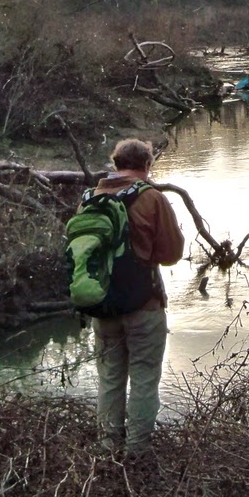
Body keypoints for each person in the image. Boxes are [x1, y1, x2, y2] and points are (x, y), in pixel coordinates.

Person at [87, 138, 184, 457]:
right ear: (147, 165)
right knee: (143, 379)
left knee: (110, 379)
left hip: (101, 304)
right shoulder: (152, 197)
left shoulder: (91, 198)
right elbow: (171, 254)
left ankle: (107, 449)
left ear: (115, 164)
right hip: (145, 304)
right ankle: (137, 452)